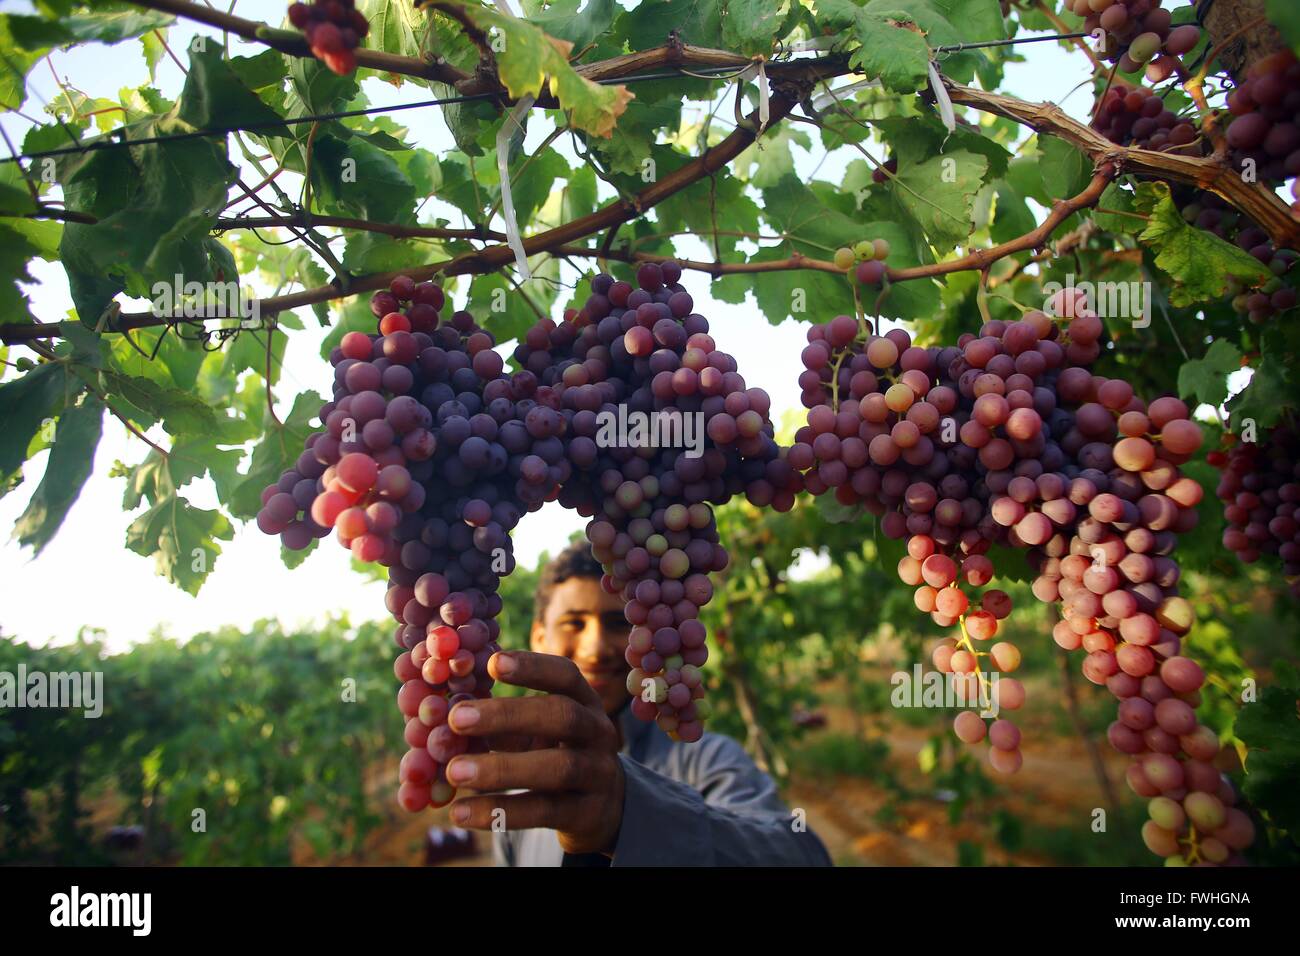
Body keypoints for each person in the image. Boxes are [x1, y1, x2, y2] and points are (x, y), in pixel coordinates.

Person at [441, 541, 833, 866]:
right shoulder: (518, 801)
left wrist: (632, 812)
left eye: (617, 624)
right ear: (538, 637)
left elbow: (802, 855)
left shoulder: (707, 759)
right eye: (574, 623)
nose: (595, 650)